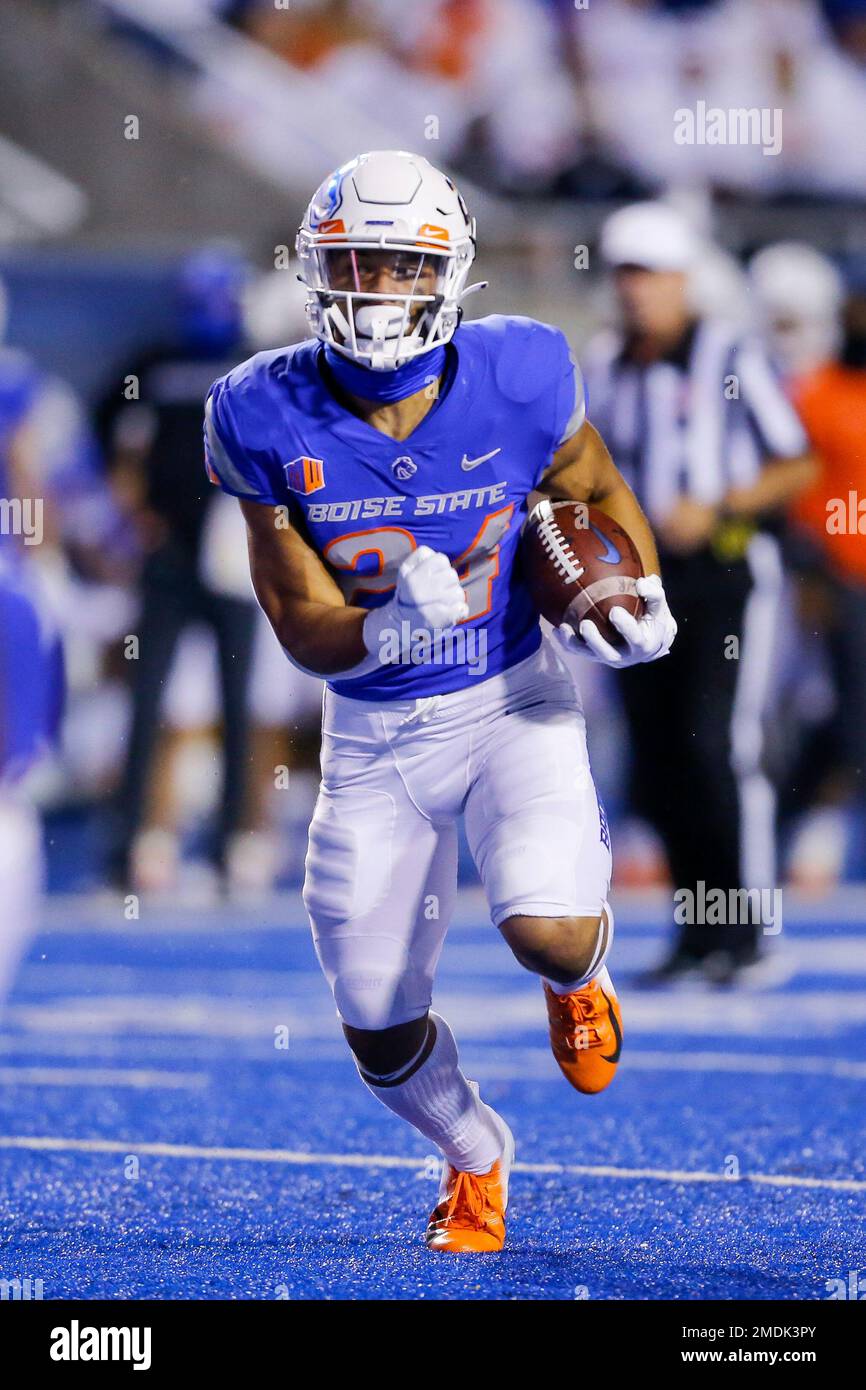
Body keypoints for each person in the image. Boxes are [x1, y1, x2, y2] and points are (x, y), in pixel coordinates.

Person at [203, 151, 676, 1252]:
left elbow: (593, 490)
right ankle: (474, 1153)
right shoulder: (259, 410)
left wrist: (639, 591)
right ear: (316, 272)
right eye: (352, 265)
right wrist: (382, 630)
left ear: (449, 275)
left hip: (511, 696)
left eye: (399, 267)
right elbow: (293, 615)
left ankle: (582, 976)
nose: (374, 291)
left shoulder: (519, 372)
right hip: (371, 732)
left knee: (545, 930)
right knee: (373, 1017)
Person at [582, 202, 814, 985]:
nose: (634, 291)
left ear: (682, 279)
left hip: (726, 574)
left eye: (647, 274)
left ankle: (750, 930)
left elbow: (796, 462)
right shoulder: (609, 362)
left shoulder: (729, 353)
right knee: (660, 758)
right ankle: (697, 929)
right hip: (643, 583)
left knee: (721, 747)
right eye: (624, 274)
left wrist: (715, 506)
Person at [98, 248, 259, 892]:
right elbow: (104, 423)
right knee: (144, 702)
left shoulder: (258, 361)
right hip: (166, 558)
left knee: (237, 705)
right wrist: (129, 502)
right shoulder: (155, 363)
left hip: (233, 557)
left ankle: (232, 843)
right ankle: (128, 846)